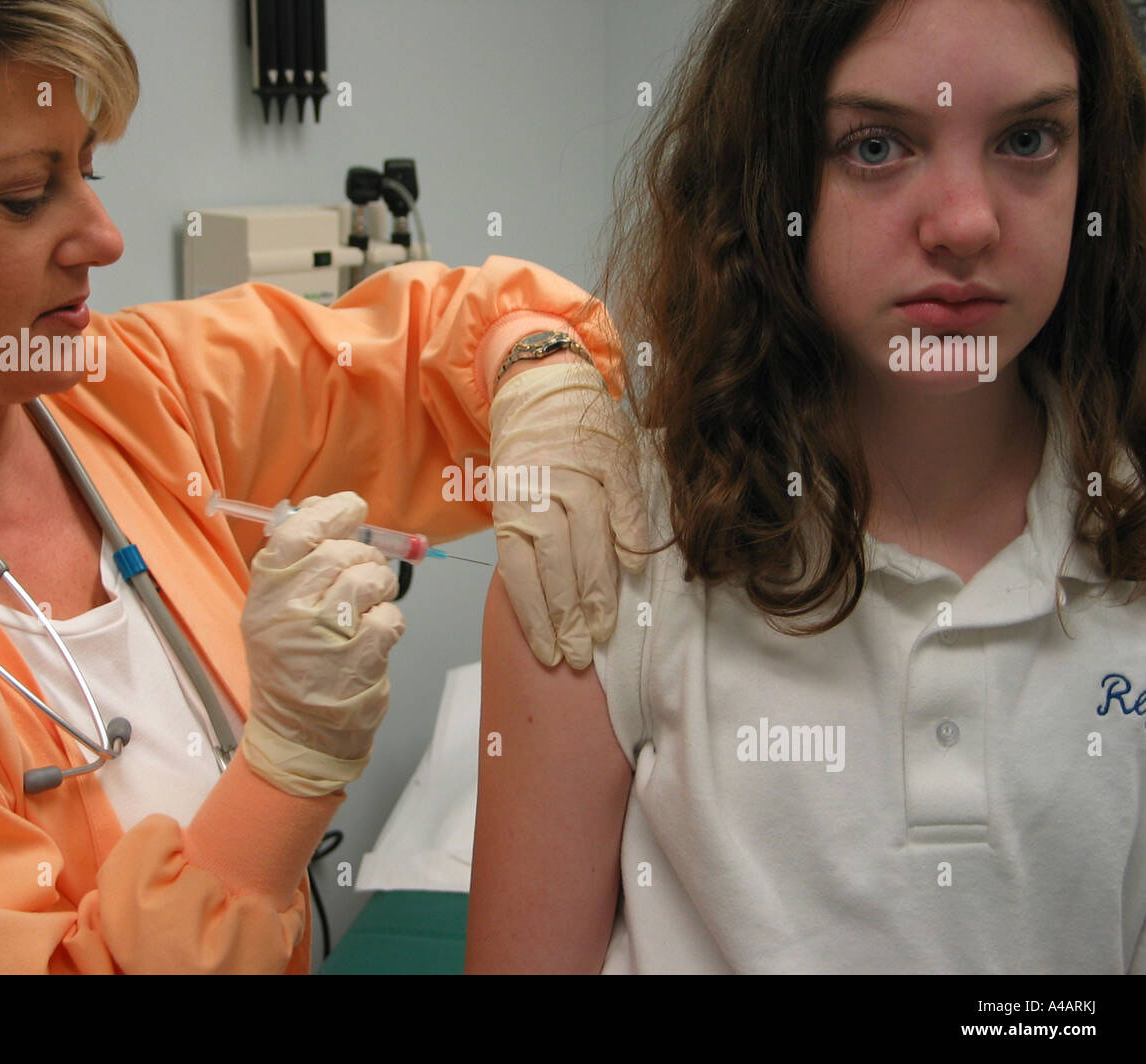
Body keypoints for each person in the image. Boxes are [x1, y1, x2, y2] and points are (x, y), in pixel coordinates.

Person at [0, 0, 644, 973]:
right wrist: (286, 768)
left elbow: (450, 337)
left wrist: (541, 366)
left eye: (87, 172)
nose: (103, 237)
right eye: (24, 196)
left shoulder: (130, 394)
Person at [468, 0, 1146, 974]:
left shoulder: (1123, 525)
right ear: (769, 172)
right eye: (875, 145)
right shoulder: (610, 551)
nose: (965, 221)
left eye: (1029, 138)